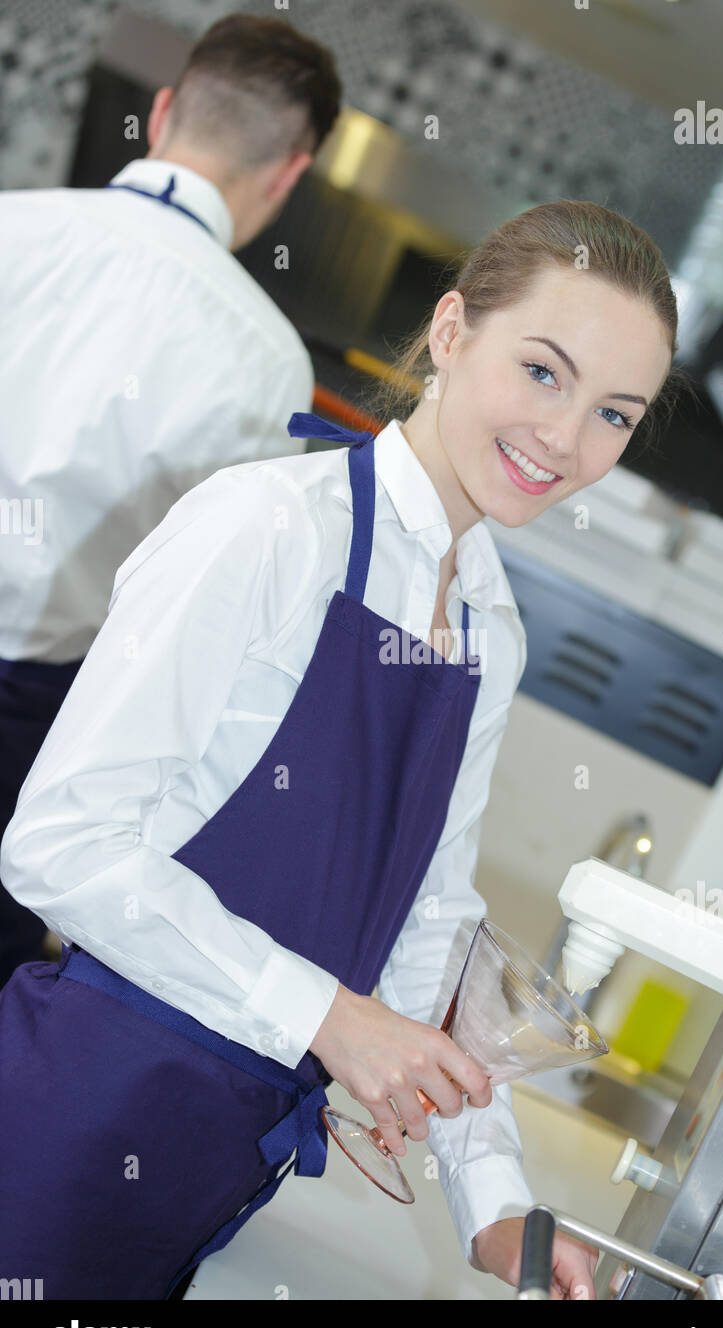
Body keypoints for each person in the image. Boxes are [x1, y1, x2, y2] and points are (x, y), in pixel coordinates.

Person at [0, 199, 679, 1300]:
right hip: (69, 1120)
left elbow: (429, 923)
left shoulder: (489, 630)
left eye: (613, 413)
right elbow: (58, 844)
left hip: (214, 1160)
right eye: (543, 371)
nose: (564, 438)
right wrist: (328, 1015)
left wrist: (498, 1204)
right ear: (451, 332)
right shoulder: (269, 527)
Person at [0, 14, 341, 986]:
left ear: (160, 115)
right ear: (287, 173)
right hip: (38, 705)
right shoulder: (267, 356)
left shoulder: (9, 227)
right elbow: (199, 601)